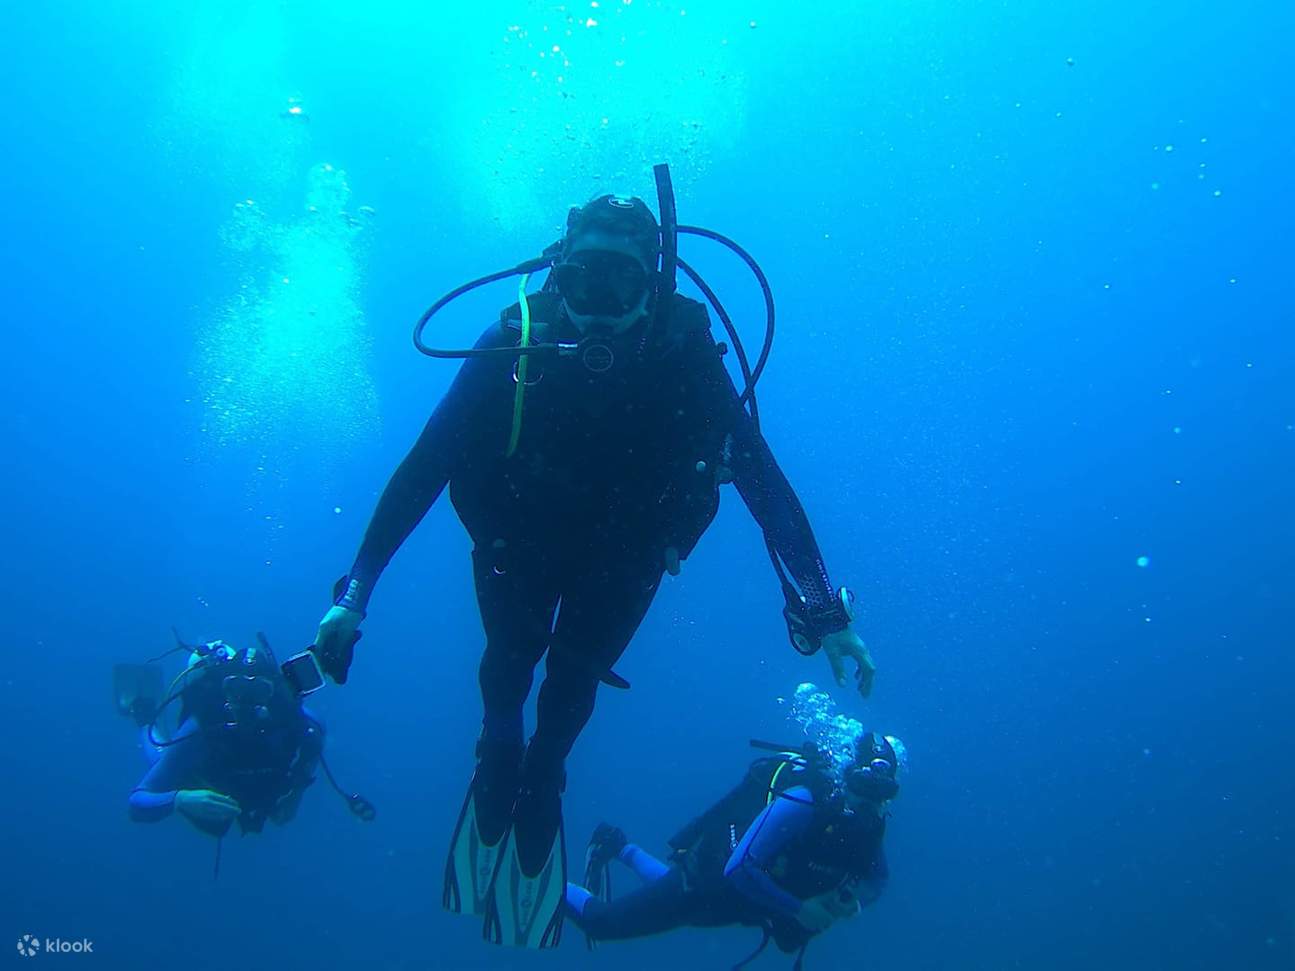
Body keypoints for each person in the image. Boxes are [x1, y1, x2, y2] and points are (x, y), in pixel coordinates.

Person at [312, 178, 877, 947]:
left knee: (571, 687)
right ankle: (498, 748)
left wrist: (823, 609)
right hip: (517, 547)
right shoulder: (513, 340)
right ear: (558, 276)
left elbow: (761, 479)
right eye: (583, 279)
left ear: (655, 284)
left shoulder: (685, 354)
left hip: (625, 560)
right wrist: (354, 593)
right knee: (507, 668)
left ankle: (545, 770)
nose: (599, 301)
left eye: (621, 281)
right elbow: (424, 467)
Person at [566, 732, 906, 969]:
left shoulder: (869, 827)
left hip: (743, 904)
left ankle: (616, 845)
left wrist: (849, 901)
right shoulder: (805, 802)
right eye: (863, 792)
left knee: (682, 901)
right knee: (603, 924)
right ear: (847, 778)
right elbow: (739, 868)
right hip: (713, 881)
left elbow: (879, 880)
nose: (865, 809)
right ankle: (544, 884)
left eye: (879, 797)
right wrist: (800, 908)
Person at [115, 637, 357, 841]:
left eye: (258, 691)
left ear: (271, 694)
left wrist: (294, 798)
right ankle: (144, 715)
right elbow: (137, 800)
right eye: (237, 689)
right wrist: (181, 799)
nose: (246, 703)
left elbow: (310, 752)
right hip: (200, 782)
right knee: (162, 759)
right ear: (224, 691)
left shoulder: (300, 725)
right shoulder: (202, 728)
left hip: (251, 795)